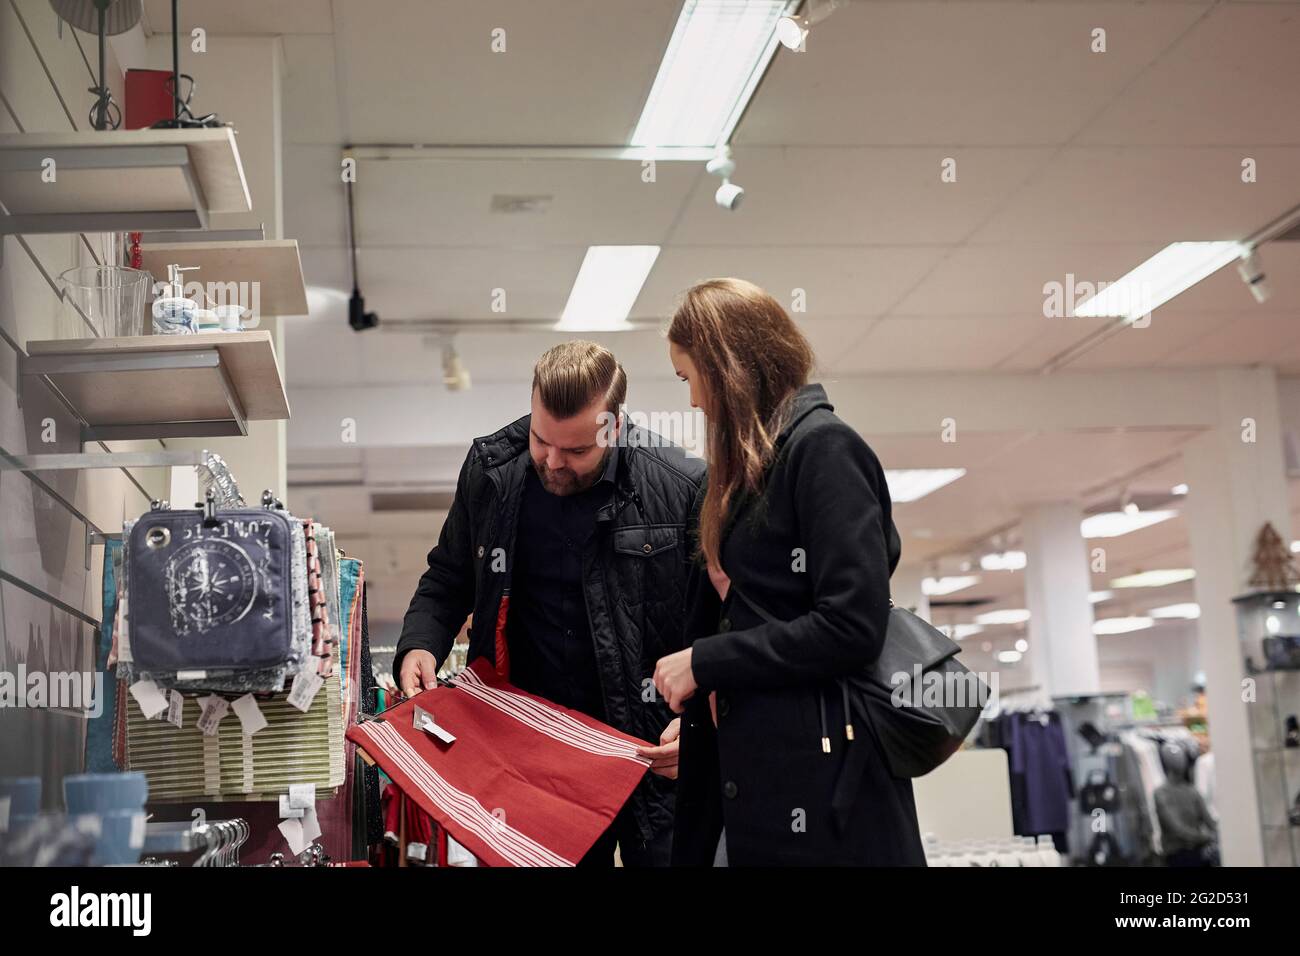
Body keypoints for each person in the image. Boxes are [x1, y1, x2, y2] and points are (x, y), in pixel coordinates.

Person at [395, 341, 704, 866]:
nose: (553, 462)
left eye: (576, 451)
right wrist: (420, 643)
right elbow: (449, 576)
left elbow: (713, 626)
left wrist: (699, 721)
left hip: (647, 751)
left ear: (614, 426)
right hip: (526, 753)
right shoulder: (493, 472)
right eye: (542, 440)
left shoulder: (680, 486)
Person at [652, 278, 925, 866]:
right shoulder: (747, 471)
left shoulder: (823, 450)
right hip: (758, 784)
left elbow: (851, 625)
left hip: (827, 796)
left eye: (689, 378)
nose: (694, 401)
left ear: (726, 366)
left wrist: (707, 663)